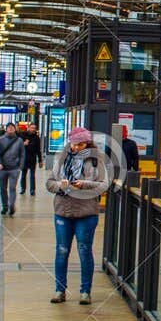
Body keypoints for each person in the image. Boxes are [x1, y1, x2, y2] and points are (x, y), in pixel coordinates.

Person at [46, 126, 108, 305]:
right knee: (62, 251)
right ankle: (59, 290)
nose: (75, 148)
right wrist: (61, 185)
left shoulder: (97, 160)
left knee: (84, 250)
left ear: (87, 143)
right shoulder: (62, 158)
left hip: (86, 212)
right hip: (63, 211)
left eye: (79, 144)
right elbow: (49, 183)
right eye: (73, 144)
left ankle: (85, 291)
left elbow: (104, 185)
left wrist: (84, 185)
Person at [0, 121, 25, 216]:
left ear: (15, 129)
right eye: (9, 127)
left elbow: (22, 154)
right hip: (2, 168)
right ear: (6, 129)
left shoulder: (19, 141)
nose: (10, 129)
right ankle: (4, 206)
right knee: (3, 188)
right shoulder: (0, 140)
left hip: (14, 169)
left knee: (12, 188)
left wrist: (21, 166)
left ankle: (11, 206)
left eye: (12, 127)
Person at [19, 122, 44, 195]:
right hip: (24, 158)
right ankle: (23, 188)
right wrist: (23, 144)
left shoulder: (36, 138)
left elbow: (38, 150)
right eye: (32, 128)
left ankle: (32, 190)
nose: (33, 129)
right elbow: (18, 147)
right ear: (28, 128)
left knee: (32, 175)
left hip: (33, 159)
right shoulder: (23, 135)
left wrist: (40, 161)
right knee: (23, 174)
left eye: (34, 128)